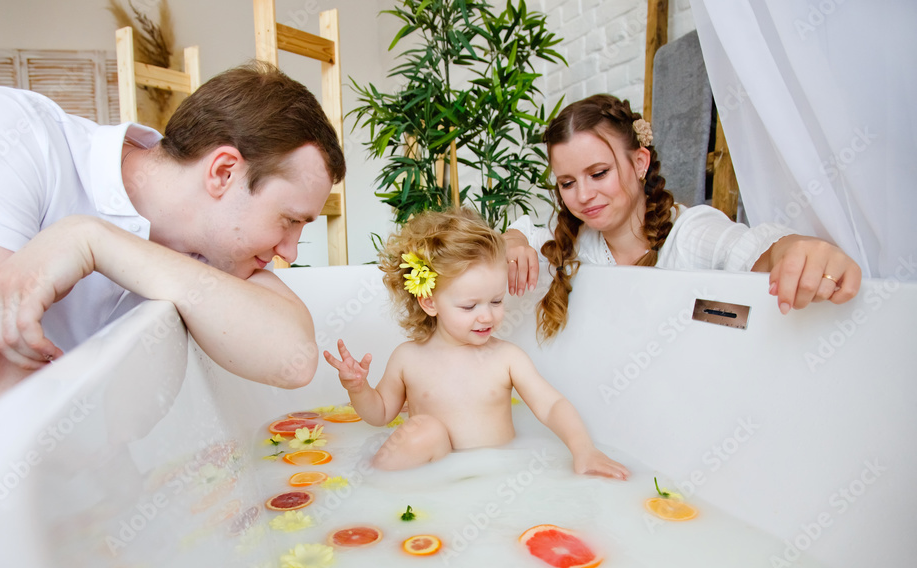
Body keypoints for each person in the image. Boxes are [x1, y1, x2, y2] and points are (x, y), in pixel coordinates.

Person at [0, 61, 345, 438]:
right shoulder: (11, 134)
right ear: (224, 172)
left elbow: (296, 359)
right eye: (289, 220)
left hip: (86, 499)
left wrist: (93, 242)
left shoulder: (213, 248)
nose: (288, 250)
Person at [503, 93, 862, 340]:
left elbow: (747, 249)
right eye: (567, 182)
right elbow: (528, 237)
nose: (582, 196)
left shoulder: (689, 234)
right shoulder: (577, 239)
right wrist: (513, 239)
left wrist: (796, 249)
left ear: (639, 163)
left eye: (599, 174)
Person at [323, 208, 629, 478]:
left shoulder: (507, 358)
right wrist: (359, 388)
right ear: (429, 302)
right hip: (432, 474)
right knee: (424, 432)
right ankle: (373, 486)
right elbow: (379, 415)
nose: (486, 316)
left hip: (496, 475)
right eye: (470, 307)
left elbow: (551, 406)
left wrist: (583, 449)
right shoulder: (408, 358)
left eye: (496, 301)